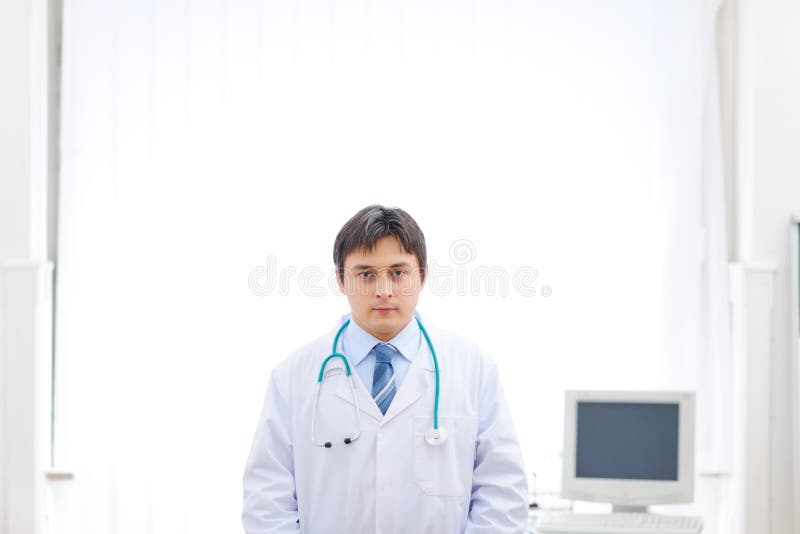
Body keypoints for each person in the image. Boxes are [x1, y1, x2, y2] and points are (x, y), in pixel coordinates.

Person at [242, 205, 529, 533]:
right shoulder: (293, 376)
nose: (384, 290)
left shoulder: (473, 368)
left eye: (398, 272)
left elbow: (502, 491)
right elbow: (267, 497)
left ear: (422, 276)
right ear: (340, 279)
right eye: (366, 274)